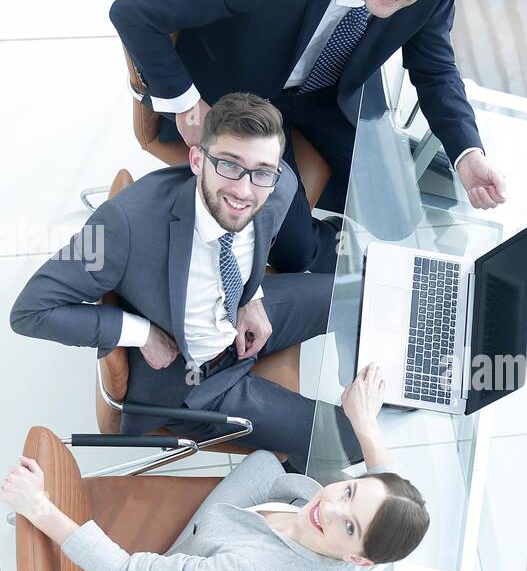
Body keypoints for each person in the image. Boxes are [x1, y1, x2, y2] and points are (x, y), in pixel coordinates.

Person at [109, 0, 507, 274]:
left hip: (327, 91)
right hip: (241, 98)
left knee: (396, 216)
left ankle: (308, 222)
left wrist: (468, 154)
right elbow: (133, 12)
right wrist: (185, 103)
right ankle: (336, 265)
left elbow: (434, 67)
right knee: (298, 252)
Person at [0, 366, 426, 571]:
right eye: (349, 491)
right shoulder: (376, 536)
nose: (330, 507)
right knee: (267, 461)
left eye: (349, 526)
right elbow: (388, 484)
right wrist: (365, 423)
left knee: (268, 461)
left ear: (359, 560)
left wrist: (38, 507)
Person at [10, 92, 354, 472]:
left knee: (356, 297)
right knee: (345, 437)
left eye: (261, 172)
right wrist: (141, 333)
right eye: (228, 165)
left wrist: (251, 296)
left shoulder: (278, 186)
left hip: (237, 317)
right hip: (190, 379)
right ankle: (296, 472)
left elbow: (250, 241)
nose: (244, 190)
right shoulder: (122, 226)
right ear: (196, 159)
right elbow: (30, 311)